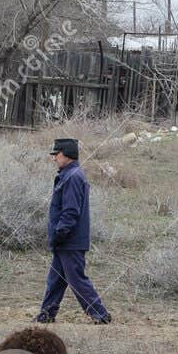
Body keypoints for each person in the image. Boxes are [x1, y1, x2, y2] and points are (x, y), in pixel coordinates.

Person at [36, 137, 112, 325]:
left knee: (76, 279)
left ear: (67, 155)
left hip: (70, 240)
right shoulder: (71, 174)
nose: (54, 158)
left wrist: (59, 234)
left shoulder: (72, 176)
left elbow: (70, 211)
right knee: (55, 280)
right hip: (67, 240)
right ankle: (46, 315)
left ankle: (100, 315)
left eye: (57, 154)